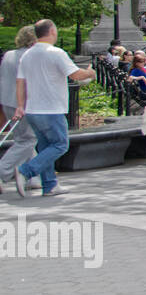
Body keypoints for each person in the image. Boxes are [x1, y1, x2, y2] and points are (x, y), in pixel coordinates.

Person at [12, 21, 96, 197]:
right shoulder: (56, 53)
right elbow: (75, 75)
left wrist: (20, 106)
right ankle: (26, 171)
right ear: (51, 31)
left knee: (45, 148)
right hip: (51, 108)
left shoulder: (26, 55)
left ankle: (50, 185)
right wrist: (90, 73)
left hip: (32, 109)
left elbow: (20, 83)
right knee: (60, 144)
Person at [0, 26, 39, 197]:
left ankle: (33, 177)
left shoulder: (8, 55)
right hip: (22, 103)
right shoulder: (30, 57)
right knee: (28, 140)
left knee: (23, 138)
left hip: (6, 101)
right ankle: (3, 171)